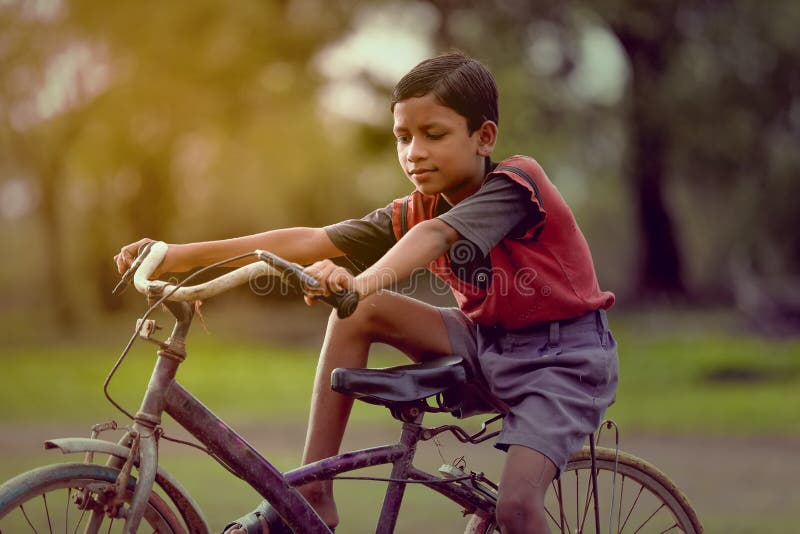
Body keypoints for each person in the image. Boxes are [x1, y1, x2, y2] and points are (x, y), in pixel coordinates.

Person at [115, 51, 618, 534]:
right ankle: (311, 493)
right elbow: (310, 240)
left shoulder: (515, 182)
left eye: (433, 134)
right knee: (359, 314)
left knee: (517, 508)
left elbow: (436, 236)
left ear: (483, 136)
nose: (413, 152)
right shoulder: (418, 206)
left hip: (563, 362)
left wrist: (357, 282)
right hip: (486, 344)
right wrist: (177, 254)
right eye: (402, 137)